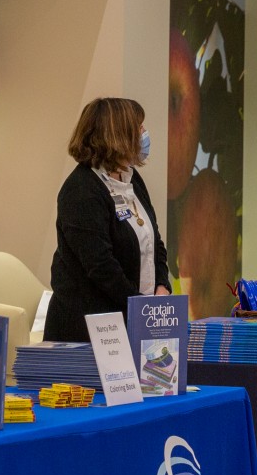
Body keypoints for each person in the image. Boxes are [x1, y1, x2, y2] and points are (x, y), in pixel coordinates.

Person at [45, 97, 171, 342]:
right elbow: (100, 266)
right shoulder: (80, 190)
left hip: (136, 317)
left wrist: (162, 286)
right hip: (89, 329)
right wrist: (141, 307)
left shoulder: (131, 179)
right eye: (139, 128)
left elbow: (154, 242)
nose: (144, 134)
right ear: (118, 135)